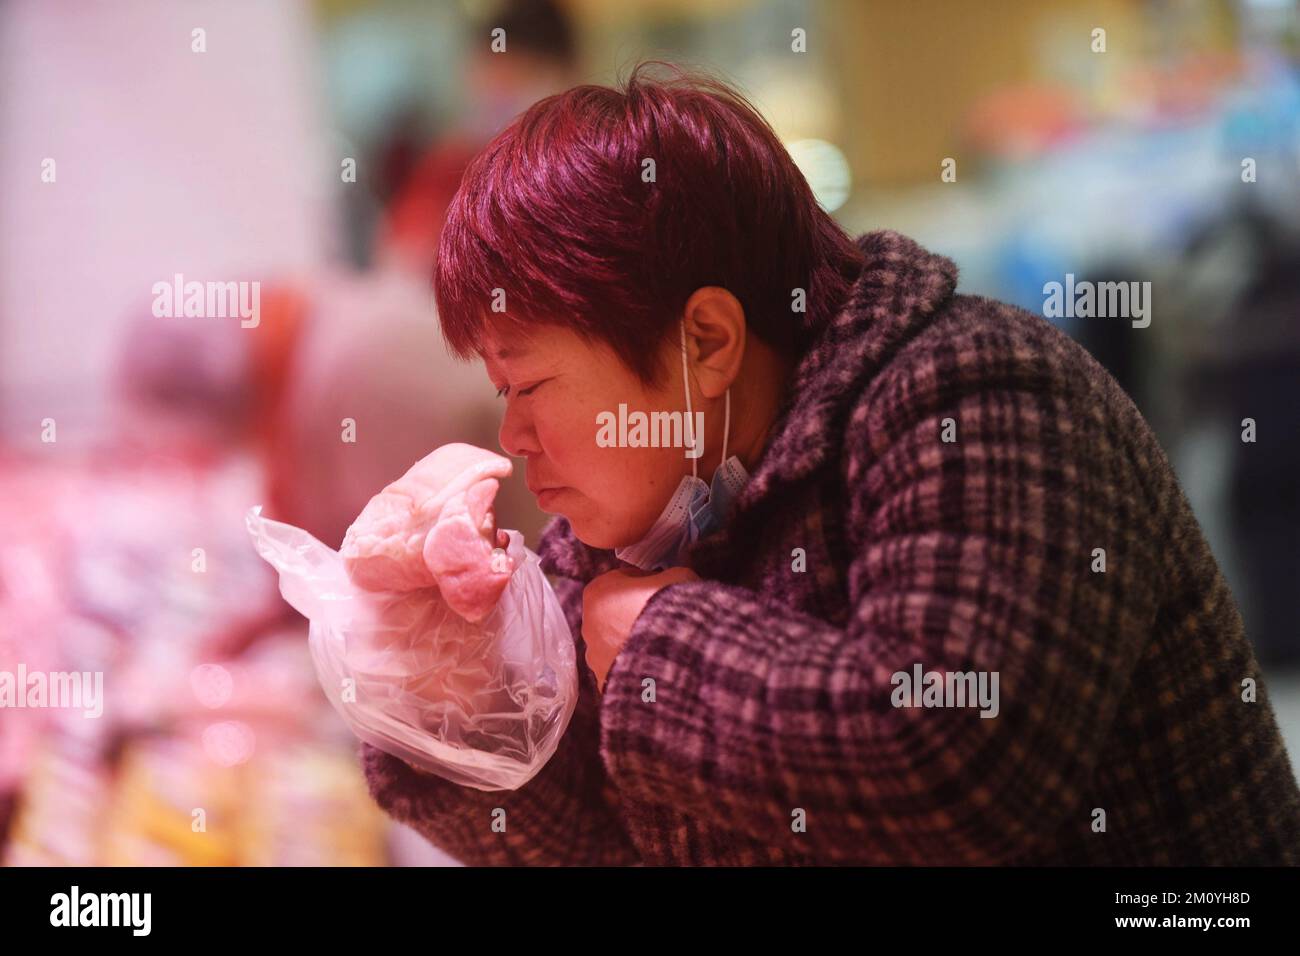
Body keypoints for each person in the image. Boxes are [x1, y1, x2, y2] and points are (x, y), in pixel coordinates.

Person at [358, 62, 1300, 865]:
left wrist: (658, 647)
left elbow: (956, 761)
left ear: (707, 341)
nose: (512, 439)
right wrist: (450, 694)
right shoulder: (633, 519)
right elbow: (597, 840)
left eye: (527, 386)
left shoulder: (978, 396)